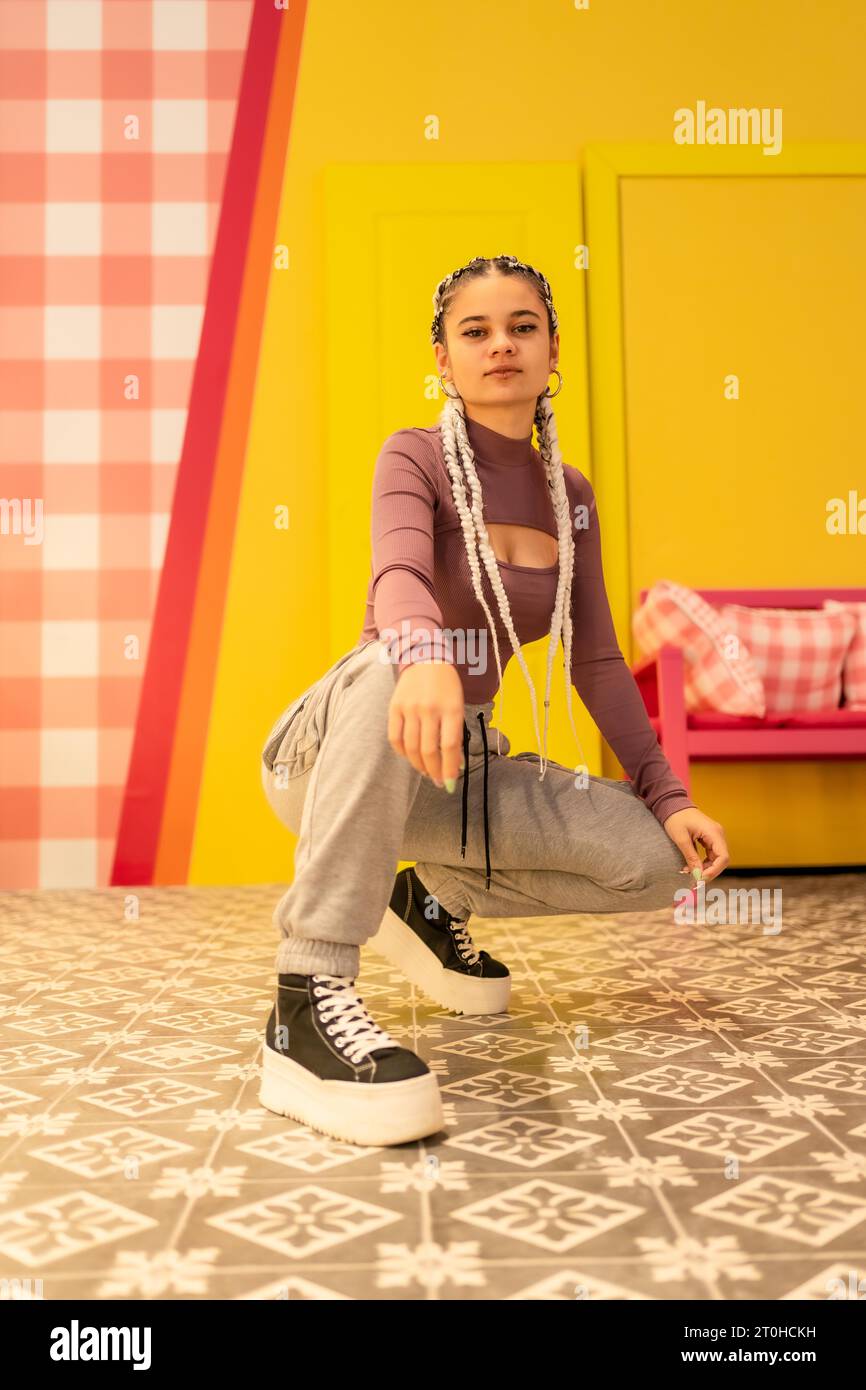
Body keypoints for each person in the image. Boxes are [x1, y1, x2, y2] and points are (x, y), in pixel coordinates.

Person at [258, 253, 730, 1148]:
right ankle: (306, 999)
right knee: (393, 665)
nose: (500, 345)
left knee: (657, 861)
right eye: (474, 331)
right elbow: (397, 570)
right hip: (335, 753)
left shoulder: (572, 498)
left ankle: (428, 898)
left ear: (554, 351)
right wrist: (426, 649)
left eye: (522, 326)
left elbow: (596, 661)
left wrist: (669, 794)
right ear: (443, 359)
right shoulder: (414, 455)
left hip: (458, 767)